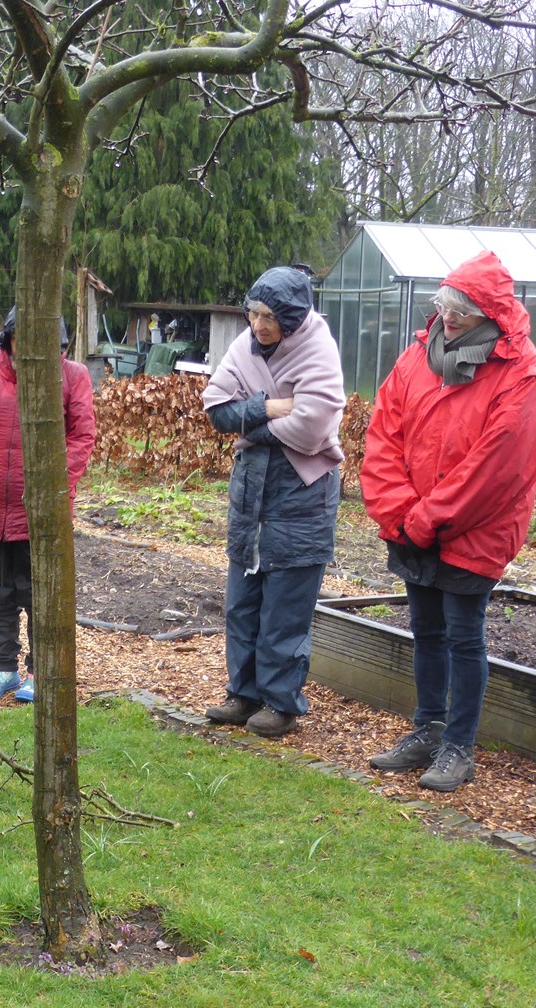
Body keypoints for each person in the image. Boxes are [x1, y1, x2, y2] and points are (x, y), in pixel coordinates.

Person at [361, 251, 536, 791]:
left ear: (489, 315)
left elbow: (494, 472)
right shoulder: (419, 356)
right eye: (445, 308)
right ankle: (427, 729)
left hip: (474, 531)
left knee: (464, 637)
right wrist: (401, 513)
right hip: (413, 525)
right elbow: (384, 436)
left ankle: (457, 747)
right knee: (426, 630)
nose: (449, 319)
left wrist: (423, 520)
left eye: (462, 313)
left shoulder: (521, 375)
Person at [201, 266, 346, 737]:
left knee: (285, 608)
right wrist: (268, 405)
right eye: (254, 313)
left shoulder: (318, 350)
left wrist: (252, 429)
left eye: (270, 317)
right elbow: (218, 410)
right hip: (251, 494)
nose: (258, 325)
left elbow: (311, 428)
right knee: (243, 603)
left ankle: (281, 703)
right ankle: (242, 693)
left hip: (301, 495)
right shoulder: (244, 347)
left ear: (294, 317)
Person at [0, 307, 97, 702]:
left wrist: (53, 489)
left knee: (39, 593)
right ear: (9, 338)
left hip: (39, 511)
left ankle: (39, 672)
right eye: (22, 340)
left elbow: (82, 437)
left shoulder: (73, 377)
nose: (29, 349)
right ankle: (4, 670)